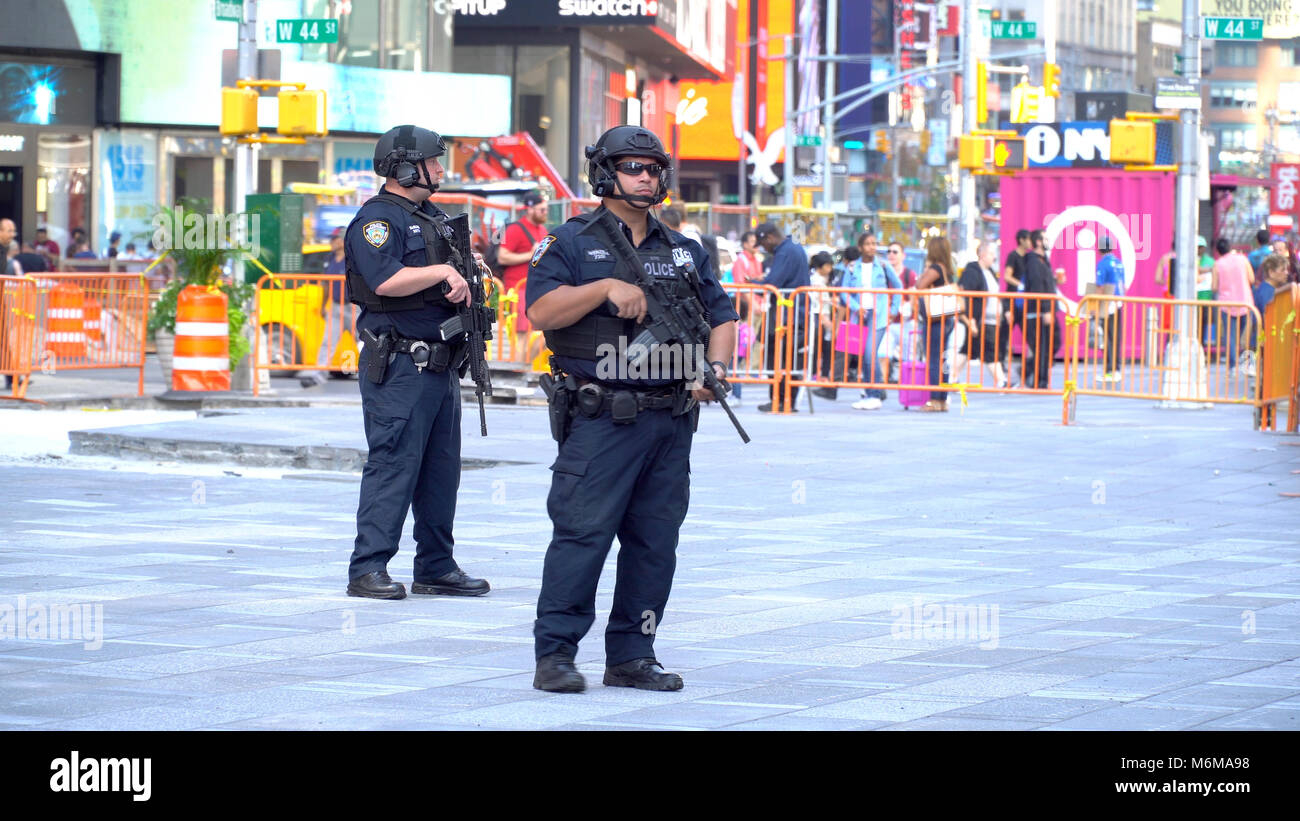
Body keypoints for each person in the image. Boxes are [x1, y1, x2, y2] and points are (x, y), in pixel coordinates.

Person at [525, 124, 737, 693]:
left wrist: (714, 370)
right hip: (601, 418)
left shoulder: (685, 251)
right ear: (605, 174)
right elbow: (541, 312)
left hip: (669, 419)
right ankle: (556, 655)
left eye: (653, 168)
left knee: (654, 543)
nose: (645, 177)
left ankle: (632, 654)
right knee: (583, 535)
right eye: (632, 167)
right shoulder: (570, 242)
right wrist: (601, 290)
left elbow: (722, 315)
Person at [342, 124, 491, 601]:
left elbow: (440, 268)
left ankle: (436, 566)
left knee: (441, 469)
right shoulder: (378, 220)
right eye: (432, 161)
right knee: (393, 464)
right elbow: (384, 280)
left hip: (443, 363)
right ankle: (368, 568)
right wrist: (443, 271)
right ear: (404, 166)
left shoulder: (430, 216)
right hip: (401, 365)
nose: (441, 170)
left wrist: (470, 267)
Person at [835, 229, 900, 409]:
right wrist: (856, 307)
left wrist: (893, 310)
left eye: (874, 244)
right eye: (868, 244)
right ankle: (869, 391)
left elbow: (898, 286)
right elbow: (844, 291)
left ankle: (874, 394)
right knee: (863, 354)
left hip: (878, 316)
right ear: (861, 247)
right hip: (859, 316)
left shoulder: (883, 265)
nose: (872, 247)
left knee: (870, 352)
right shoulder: (852, 267)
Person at [752, 222, 810, 412]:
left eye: (763, 244)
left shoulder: (785, 251)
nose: (764, 249)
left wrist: (753, 282)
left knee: (779, 358)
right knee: (789, 359)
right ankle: (783, 400)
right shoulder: (794, 247)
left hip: (787, 316)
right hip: (794, 314)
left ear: (769, 238)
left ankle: (781, 399)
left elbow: (774, 283)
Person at [299, 228, 357, 387]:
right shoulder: (329, 259)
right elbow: (325, 284)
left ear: (342, 241)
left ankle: (374, 374)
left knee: (365, 342)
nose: (331, 242)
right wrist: (323, 304)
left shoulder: (353, 258)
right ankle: (318, 375)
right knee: (327, 342)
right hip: (336, 307)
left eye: (334, 239)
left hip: (353, 307)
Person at [496, 191, 550, 356]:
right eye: (542, 210)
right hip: (518, 290)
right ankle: (519, 369)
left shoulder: (542, 230)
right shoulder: (515, 229)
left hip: (536, 289)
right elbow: (502, 257)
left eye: (546, 209)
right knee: (522, 334)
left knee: (549, 331)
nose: (545, 213)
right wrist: (530, 254)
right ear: (530, 209)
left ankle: (524, 365)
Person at [956, 240, 1009, 388]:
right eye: (992, 254)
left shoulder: (990, 272)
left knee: (968, 349)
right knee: (990, 350)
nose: (994, 257)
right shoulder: (972, 271)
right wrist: (970, 319)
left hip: (990, 319)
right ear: (982, 254)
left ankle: (952, 377)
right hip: (980, 319)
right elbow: (965, 295)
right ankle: (1001, 381)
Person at [914, 235, 958, 411]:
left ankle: (933, 400)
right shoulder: (947, 269)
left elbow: (919, 285)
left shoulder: (935, 268)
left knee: (933, 359)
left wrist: (923, 274)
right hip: (947, 318)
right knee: (943, 360)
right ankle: (942, 399)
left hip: (935, 320)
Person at [1021, 234, 1058, 389]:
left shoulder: (1043, 260)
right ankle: (1039, 380)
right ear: (1038, 242)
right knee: (1042, 347)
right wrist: (1045, 310)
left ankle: (1032, 372)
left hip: (1045, 309)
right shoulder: (1034, 262)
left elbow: (1045, 283)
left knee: (1051, 344)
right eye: (1045, 238)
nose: (1048, 241)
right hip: (1038, 311)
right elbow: (1037, 286)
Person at [1211, 236, 1254, 372]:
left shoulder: (1218, 264)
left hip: (1227, 304)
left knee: (1230, 335)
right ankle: (1245, 362)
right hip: (1245, 302)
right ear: (1230, 247)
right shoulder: (1243, 259)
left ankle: (1233, 365)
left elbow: (1214, 287)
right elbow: (1252, 279)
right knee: (1243, 334)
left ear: (1218, 251)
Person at [1093, 234, 1127, 382]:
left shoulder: (1102, 263)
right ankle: (1115, 369)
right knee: (1115, 336)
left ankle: (1110, 371)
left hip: (1107, 303)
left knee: (1107, 337)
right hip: (1118, 302)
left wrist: (1095, 305)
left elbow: (1100, 286)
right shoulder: (1119, 262)